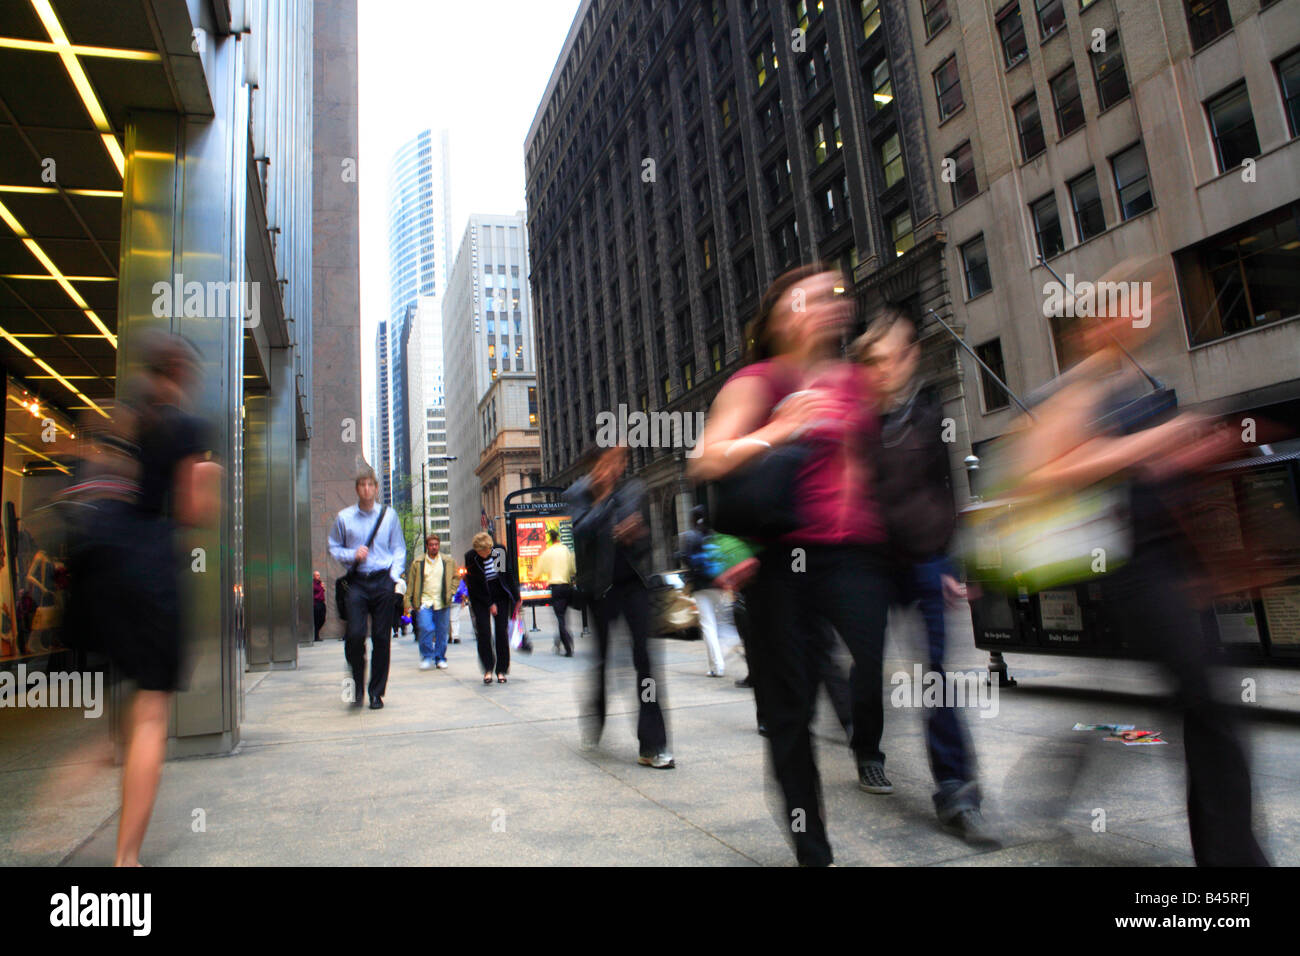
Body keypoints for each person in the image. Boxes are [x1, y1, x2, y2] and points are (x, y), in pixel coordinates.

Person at [998, 258, 1267, 866]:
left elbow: (1145, 474)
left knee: (1191, 708)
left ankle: (1061, 776)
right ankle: (1235, 865)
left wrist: (1187, 452)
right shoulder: (1080, 391)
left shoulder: (1135, 383)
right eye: (1130, 302)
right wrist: (1151, 445)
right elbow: (1036, 474)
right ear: (1094, 323)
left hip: (1171, 568)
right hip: (1132, 571)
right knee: (1206, 708)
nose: (1146, 312)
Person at [689, 264, 889, 866]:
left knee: (871, 663)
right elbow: (706, 461)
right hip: (782, 559)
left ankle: (868, 747)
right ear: (779, 317)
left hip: (852, 553)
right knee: (789, 709)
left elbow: (868, 468)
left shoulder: (854, 383)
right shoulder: (758, 381)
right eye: (806, 298)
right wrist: (777, 430)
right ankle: (812, 844)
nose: (825, 306)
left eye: (833, 295)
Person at [70, 333, 222, 866]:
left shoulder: (119, 420)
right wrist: (210, 478)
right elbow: (192, 511)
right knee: (153, 716)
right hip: (153, 570)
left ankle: (103, 751)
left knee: (132, 701)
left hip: (107, 573)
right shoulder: (187, 429)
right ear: (181, 375)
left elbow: (92, 480)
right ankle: (126, 857)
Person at [853, 308, 994, 845]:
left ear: (911, 357)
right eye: (876, 361)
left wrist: (952, 563)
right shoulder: (857, 424)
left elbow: (946, 488)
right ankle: (868, 749)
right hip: (870, 563)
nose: (887, 369)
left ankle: (957, 790)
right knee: (866, 663)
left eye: (896, 357)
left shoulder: (932, 413)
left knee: (937, 673)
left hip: (924, 558)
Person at [566, 445, 674, 769]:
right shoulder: (578, 494)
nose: (614, 468)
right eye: (607, 462)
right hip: (600, 591)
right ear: (594, 465)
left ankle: (652, 744)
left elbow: (646, 538)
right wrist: (605, 506)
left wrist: (633, 533)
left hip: (634, 586)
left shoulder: (633, 490)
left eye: (619, 461)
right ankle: (594, 717)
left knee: (645, 663)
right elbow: (578, 531)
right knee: (602, 662)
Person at [328, 465, 405, 710]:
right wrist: (352, 555)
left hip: (382, 580)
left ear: (376, 488)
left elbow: (399, 549)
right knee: (354, 635)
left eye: (370, 485)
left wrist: (393, 577)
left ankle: (376, 693)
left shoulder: (389, 515)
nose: (366, 489)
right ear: (356, 489)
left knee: (382, 638)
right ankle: (357, 687)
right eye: (362, 485)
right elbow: (334, 546)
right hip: (358, 582)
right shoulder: (344, 518)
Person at [679, 507, 741, 678]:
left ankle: (716, 666)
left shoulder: (689, 536)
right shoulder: (715, 535)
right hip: (719, 583)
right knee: (723, 622)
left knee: (708, 626)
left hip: (701, 587)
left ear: (692, 519)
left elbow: (684, 557)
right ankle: (730, 642)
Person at [464, 532, 518, 683]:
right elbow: (474, 585)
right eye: (481, 552)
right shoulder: (471, 557)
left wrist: (516, 597)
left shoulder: (498, 551)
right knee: (484, 632)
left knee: (501, 631)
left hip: (500, 595)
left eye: (486, 551)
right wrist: (489, 604)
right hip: (481, 597)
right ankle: (488, 668)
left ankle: (501, 670)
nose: (484, 555)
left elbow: (507, 575)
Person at [404, 533, 457, 670]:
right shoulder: (418, 563)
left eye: (436, 545)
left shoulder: (447, 561)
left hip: (442, 601)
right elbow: (411, 584)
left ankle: (440, 657)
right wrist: (407, 602)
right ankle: (427, 656)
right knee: (426, 627)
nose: (434, 547)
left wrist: (451, 591)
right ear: (427, 546)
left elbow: (456, 577)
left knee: (442, 631)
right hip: (424, 601)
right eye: (431, 545)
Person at [531, 528, 576, 656]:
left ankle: (567, 645)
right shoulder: (566, 550)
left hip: (556, 588)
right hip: (567, 587)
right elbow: (573, 569)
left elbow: (537, 572)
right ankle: (561, 639)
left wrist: (534, 580)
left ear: (550, 539)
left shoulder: (547, 553)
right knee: (564, 616)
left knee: (560, 617)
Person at [312, 571, 326, 642]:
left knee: (323, 619)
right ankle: (316, 636)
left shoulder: (320, 583)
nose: (318, 576)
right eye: (317, 575)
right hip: (316, 603)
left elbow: (323, 591)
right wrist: (321, 587)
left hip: (322, 603)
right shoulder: (313, 584)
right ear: (314, 576)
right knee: (316, 620)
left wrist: (323, 587)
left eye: (319, 575)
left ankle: (316, 633)